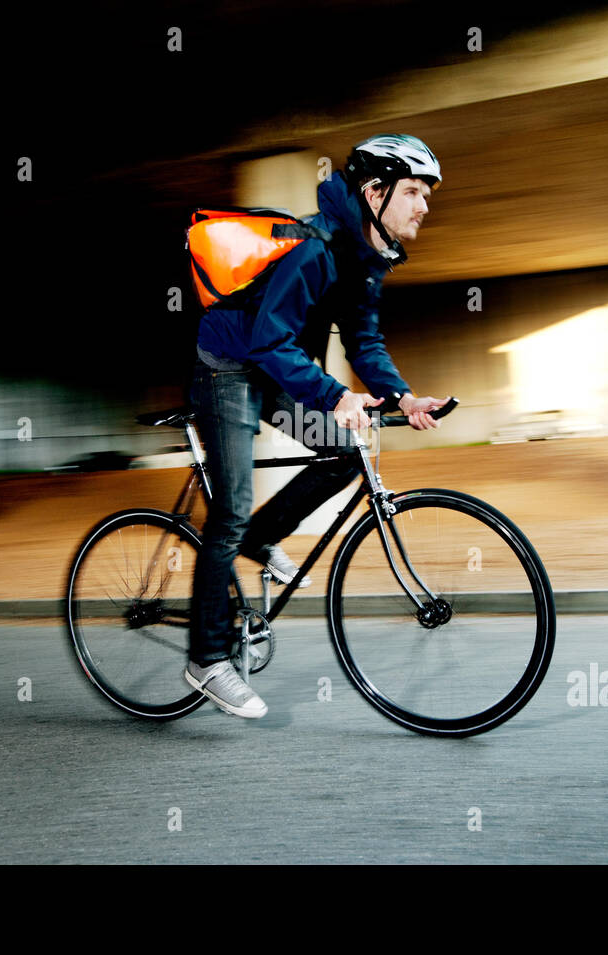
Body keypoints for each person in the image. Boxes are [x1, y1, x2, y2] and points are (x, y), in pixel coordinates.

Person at [185, 134, 449, 718]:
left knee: (345, 453)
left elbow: (364, 340)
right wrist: (333, 396)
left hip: (276, 364)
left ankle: (259, 539)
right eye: (411, 191)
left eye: (426, 193)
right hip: (230, 364)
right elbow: (267, 337)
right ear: (374, 192)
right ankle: (206, 658)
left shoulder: (367, 256)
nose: (423, 204)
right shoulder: (316, 246)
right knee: (228, 511)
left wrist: (401, 398)